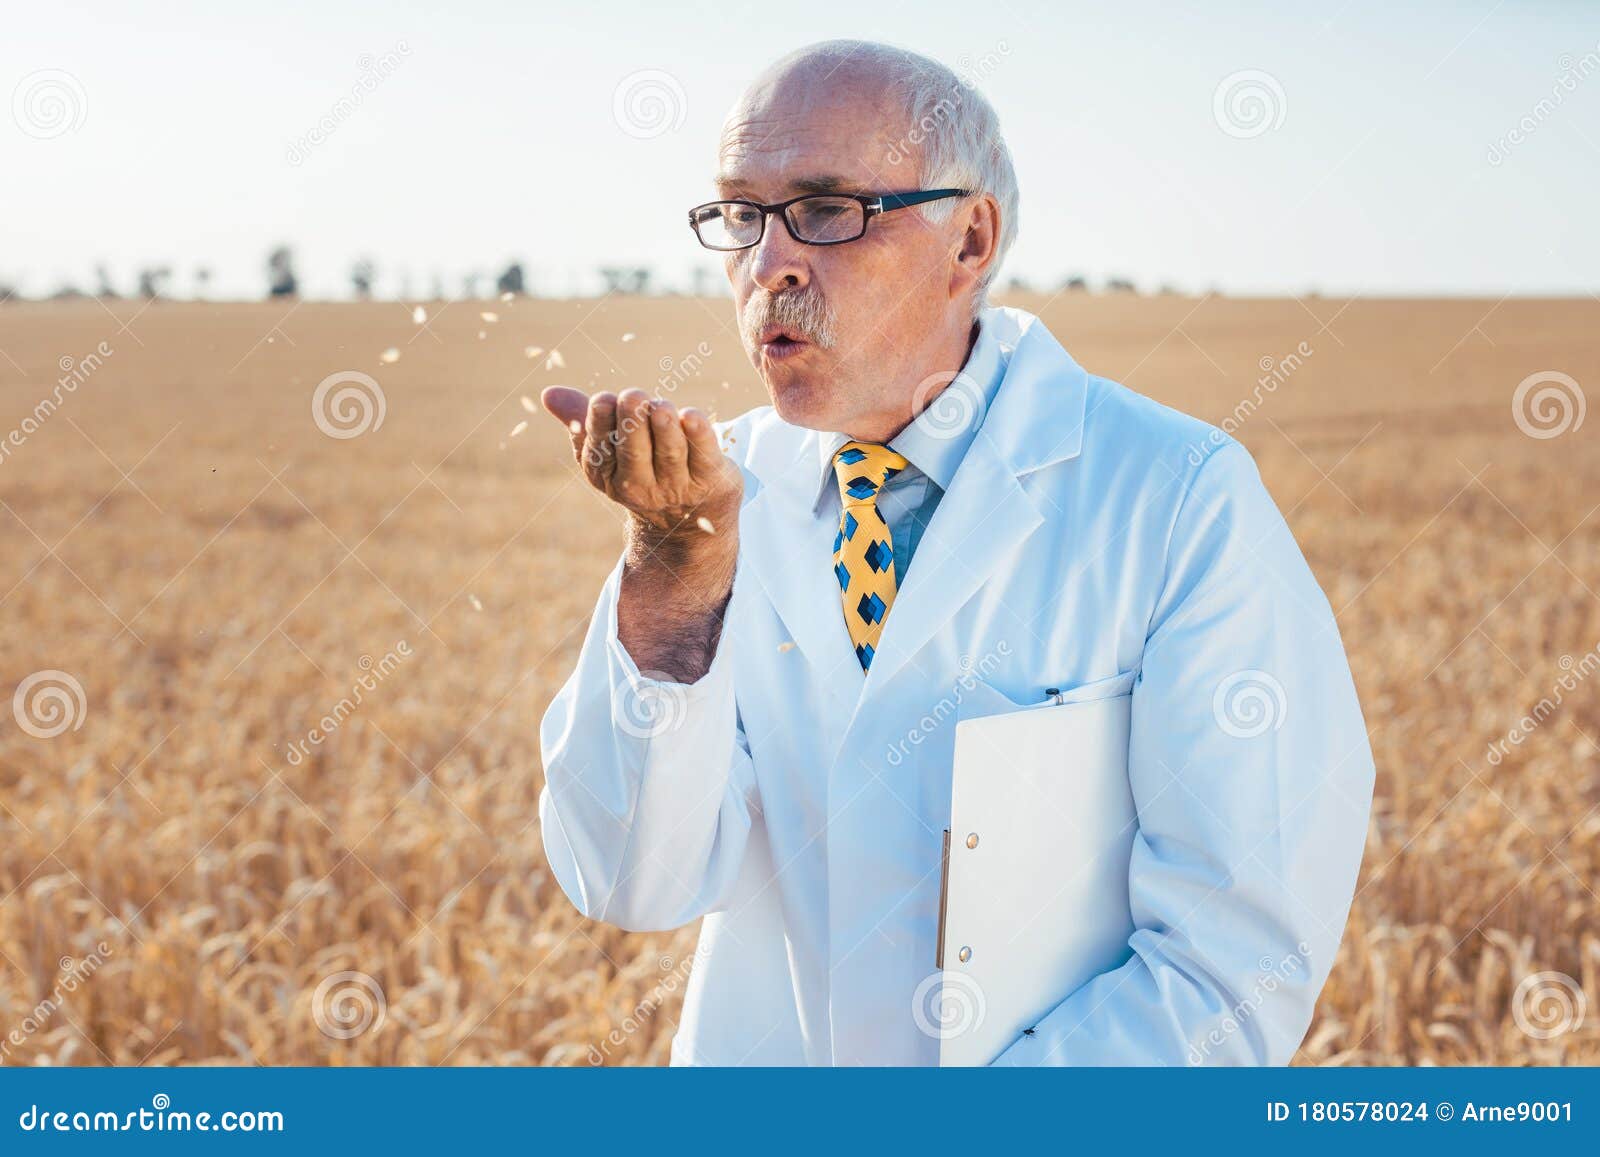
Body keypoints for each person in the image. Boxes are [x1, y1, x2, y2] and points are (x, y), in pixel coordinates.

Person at [537, 39, 1373, 1066]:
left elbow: (1233, 967)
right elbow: (628, 881)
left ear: (969, 240)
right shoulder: (713, 502)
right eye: (741, 215)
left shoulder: (1175, 496)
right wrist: (673, 579)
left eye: (826, 209)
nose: (767, 263)